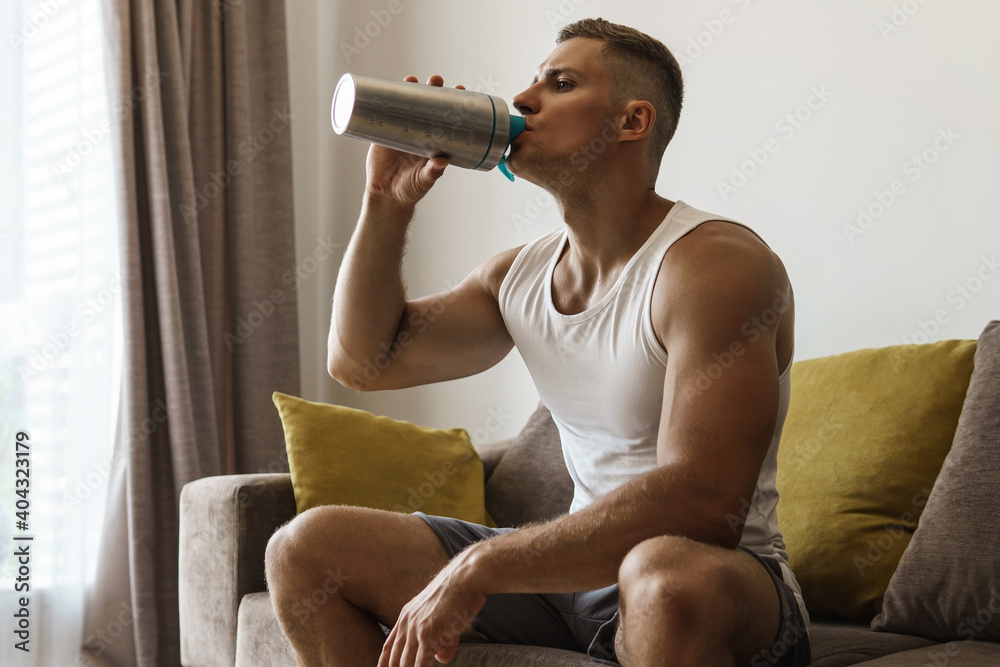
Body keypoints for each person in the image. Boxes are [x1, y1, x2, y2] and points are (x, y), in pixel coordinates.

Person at [265, 17, 810, 667]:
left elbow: (706, 504)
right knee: (305, 547)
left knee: (665, 577)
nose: (523, 99)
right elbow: (361, 362)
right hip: (574, 589)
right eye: (532, 81)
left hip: (717, 581)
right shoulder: (516, 276)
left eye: (561, 83)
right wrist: (386, 202)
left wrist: (486, 562)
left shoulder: (714, 265)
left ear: (632, 122)